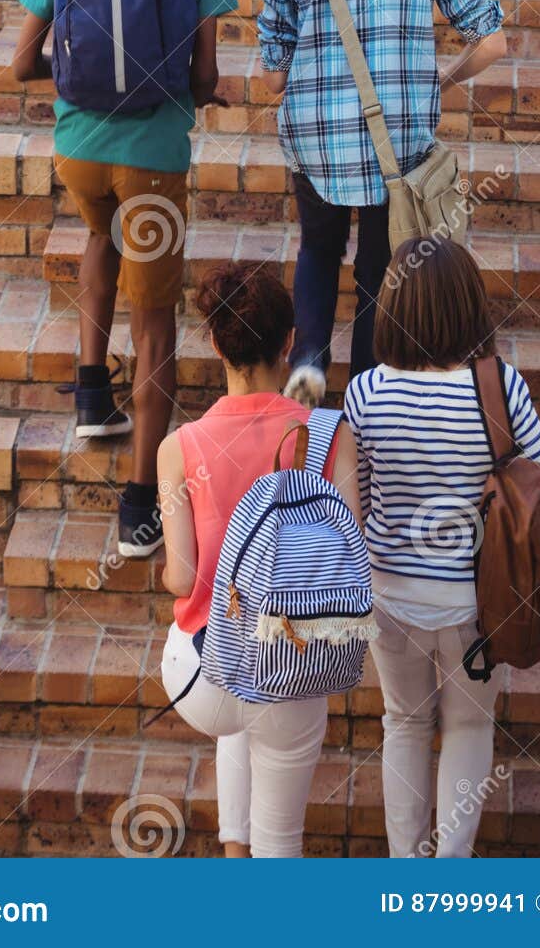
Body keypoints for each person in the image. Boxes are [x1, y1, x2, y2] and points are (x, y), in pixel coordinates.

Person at [11, 0, 237, 557]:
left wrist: (80, 77)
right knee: (156, 326)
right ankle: (139, 507)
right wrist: (192, 91)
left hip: (78, 154)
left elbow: (21, 65)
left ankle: (89, 395)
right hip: (151, 162)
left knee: (99, 236)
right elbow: (201, 80)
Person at [257, 0, 506, 397]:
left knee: (318, 248)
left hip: (317, 148)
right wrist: (441, 79)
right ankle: (367, 393)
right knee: (380, 273)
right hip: (400, 150)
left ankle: (309, 363)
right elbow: (493, 41)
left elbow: (273, 79)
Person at [345, 237, 540, 859]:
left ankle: (404, 868)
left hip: (390, 597)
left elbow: (353, 502)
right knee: (467, 726)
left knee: (404, 723)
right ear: (470, 306)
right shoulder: (501, 389)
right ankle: (450, 874)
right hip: (475, 603)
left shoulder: (366, 394)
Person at [157, 264, 362, 859]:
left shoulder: (180, 446)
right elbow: (351, 560)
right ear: (290, 342)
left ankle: (233, 851)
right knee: (284, 842)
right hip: (297, 663)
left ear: (217, 343)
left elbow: (183, 577)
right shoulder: (329, 435)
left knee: (230, 644)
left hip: (206, 681)